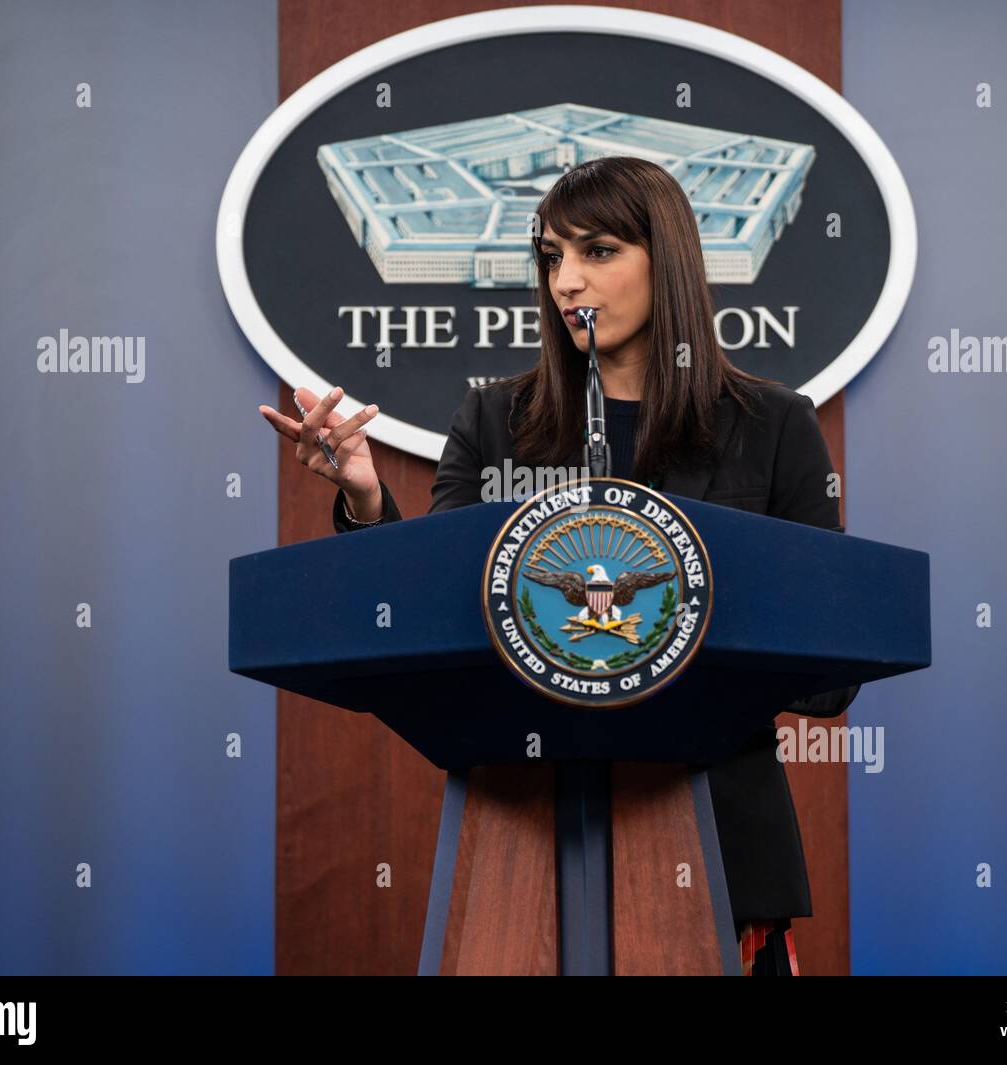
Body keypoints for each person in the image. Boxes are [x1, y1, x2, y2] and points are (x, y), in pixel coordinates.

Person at [259, 155, 860, 975]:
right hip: (520, 850)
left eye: (598, 251)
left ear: (668, 259)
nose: (567, 281)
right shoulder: (494, 420)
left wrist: (675, 641)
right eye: (551, 257)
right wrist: (365, 498)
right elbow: (436, 617)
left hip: (721, 847)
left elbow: (829, 677)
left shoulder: (775, 426)